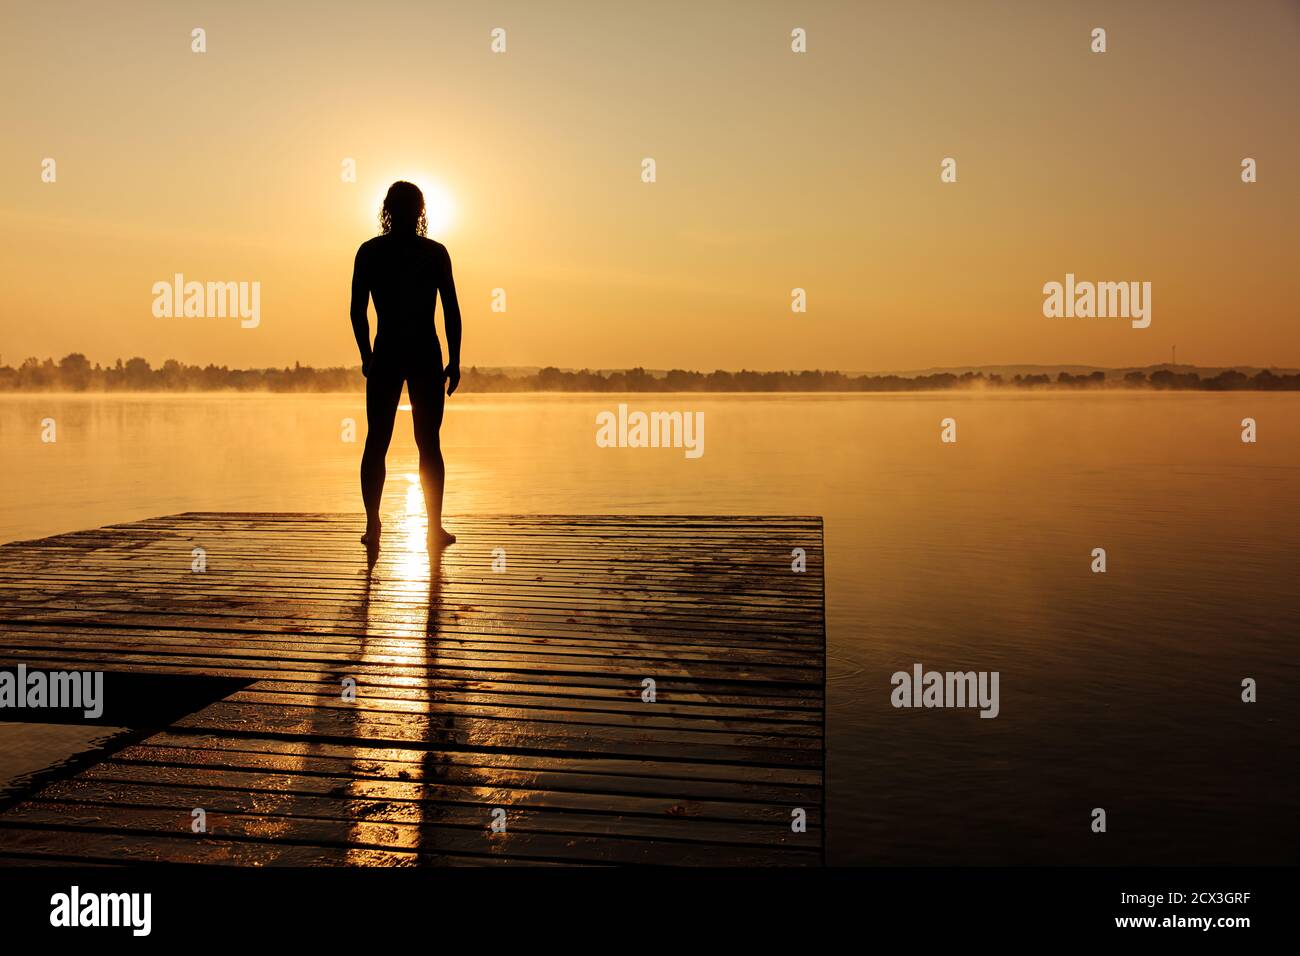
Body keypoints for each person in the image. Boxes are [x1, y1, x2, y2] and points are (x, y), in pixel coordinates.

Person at [350, 181, 461, 551]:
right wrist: (454, 358)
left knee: (378, 441)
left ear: (388, 210)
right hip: (423, 354)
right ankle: (430, 527)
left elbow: (357, 311)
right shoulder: (432, 253)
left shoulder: (370, 252)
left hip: (391, 354)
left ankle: (375, 525)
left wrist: (367, 355)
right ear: (419, 211)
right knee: (426, 443)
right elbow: (452, 312)